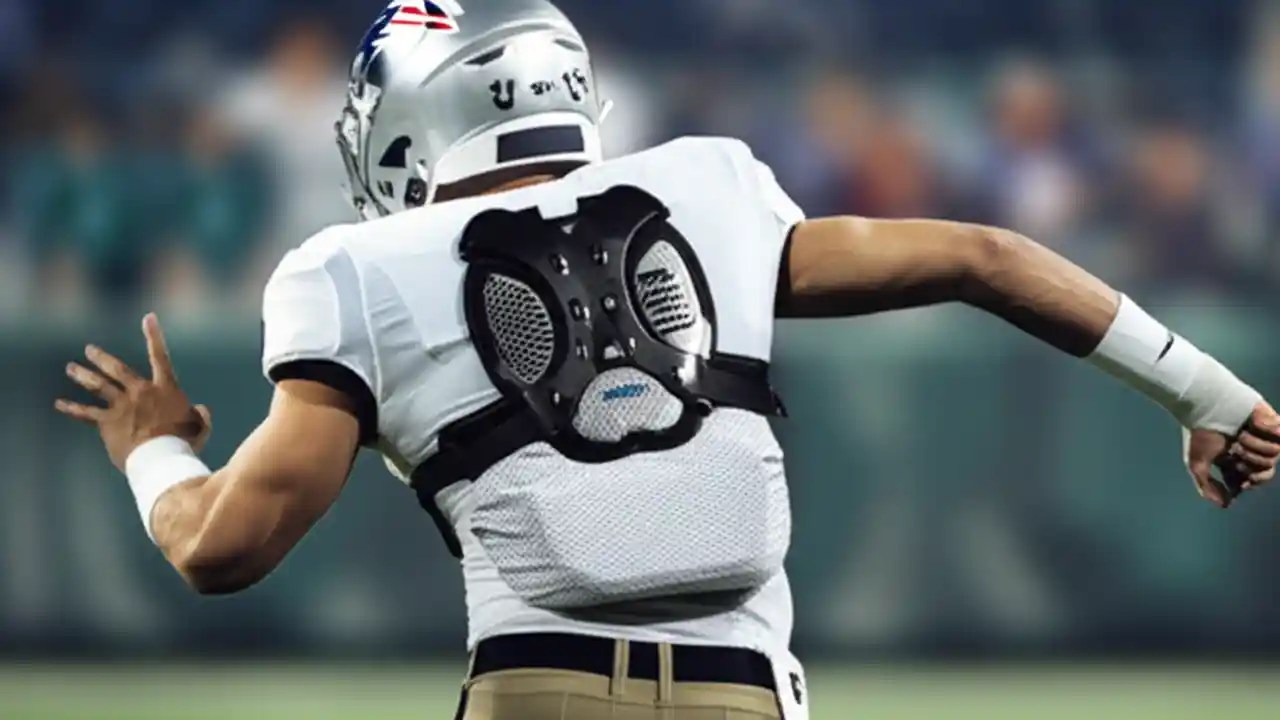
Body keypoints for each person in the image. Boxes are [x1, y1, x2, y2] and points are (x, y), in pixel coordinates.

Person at [56, 2, 1279, 718]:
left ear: (416, 115)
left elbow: (221, 550)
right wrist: (1209, 396)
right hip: (736, 693)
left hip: (531, 690)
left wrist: (152, 449)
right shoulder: (711, 189)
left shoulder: (351, 271)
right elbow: (983, 256)